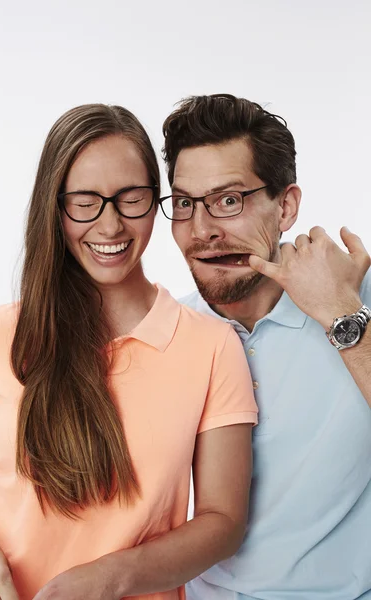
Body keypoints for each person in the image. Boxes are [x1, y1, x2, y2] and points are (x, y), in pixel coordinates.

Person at [0, 103, 258, 600]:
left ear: (156, 200)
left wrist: (111, 578)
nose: (110, 227)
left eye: (131, 199)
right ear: (54, 205)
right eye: (85, 201)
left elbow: (222, 521)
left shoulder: (212, 346)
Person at [160, 94, 371, 600]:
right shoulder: (167, 332)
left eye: (229, 200)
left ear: (287, 206)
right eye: (186, 203)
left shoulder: (356, 300)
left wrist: (340, 314)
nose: (203, 230)